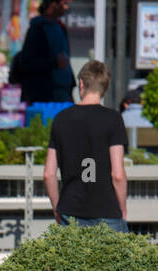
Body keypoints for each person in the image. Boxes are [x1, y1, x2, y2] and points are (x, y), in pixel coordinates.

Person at [43, 60, 127, 230]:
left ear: (81, 83)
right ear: (104, 88)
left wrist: (57, 207)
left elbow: (49, 174)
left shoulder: (61, 119)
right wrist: (123, 208)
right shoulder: (113, 119)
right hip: (107, 210)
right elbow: (117, 174)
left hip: (71, 210)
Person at [17, 0, 74, 105]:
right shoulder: (37, 29)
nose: (66, 8)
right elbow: (27, 63)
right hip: (44, 95)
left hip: (62, 92)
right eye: (64, 4)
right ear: (54, 4)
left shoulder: (60, 27)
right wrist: (54, 63)